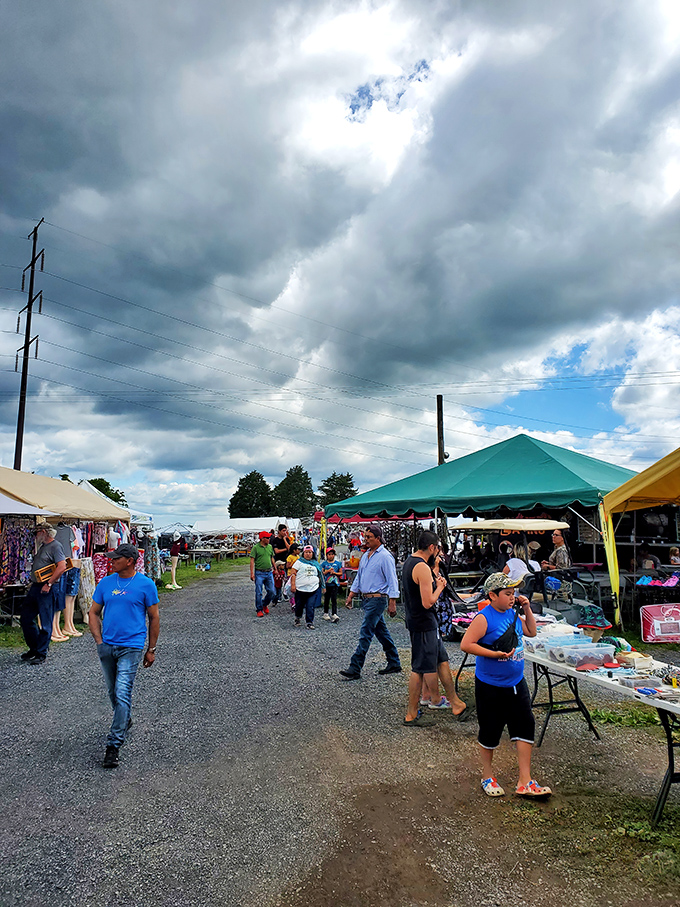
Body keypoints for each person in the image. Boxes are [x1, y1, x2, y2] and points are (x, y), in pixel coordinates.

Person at [461, 573, 551, 799]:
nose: (513, 598)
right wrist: (494, 653)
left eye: (514, 594)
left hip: (516, 683)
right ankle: (487, 775)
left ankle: (525, 780)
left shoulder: (512, 614)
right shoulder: (484, 618)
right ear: (492, 595)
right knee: (490, 729)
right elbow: (466, 644)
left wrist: (527, 608)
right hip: (490, 685)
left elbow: (531, 631)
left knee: (525, 725)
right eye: (508, 594)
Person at [89, 544, 160, 769]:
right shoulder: (106, 583)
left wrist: (151, 648)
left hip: (131, 646)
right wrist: (99, 641)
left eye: (116, 558)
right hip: (108, 645)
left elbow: (154, 617)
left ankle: (113, 745)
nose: (111, 561)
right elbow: (93, 612)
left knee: (122, 691)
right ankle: (124, 718)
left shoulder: (145, 585)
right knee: (113, 692)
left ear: (129, 560)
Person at [402, 531, 468, 725]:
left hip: (425, 622)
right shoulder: (421, 567)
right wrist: (439, 587)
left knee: (442, 660)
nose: (438, 552)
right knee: (419, 668)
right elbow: (427, 602)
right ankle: (411, 714)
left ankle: (455, 703)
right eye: (438, 548)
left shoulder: (410, 561)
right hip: (423, 622)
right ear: (431, 548)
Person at [339, 525, 401, 680]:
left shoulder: (385, 557)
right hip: (367, 599)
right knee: (381, 632)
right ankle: (394, 662)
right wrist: (351, 594)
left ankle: (355, 666)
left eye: (369, 537)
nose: (365, 540)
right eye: (365, 537)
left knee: (366, 632)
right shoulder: (366, 555)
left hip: (378, 599)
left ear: (378, 538)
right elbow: (359, 577)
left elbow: (393, 580)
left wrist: (392, 601)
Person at [20, 524, 68, 665]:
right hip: (37, 586)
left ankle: (41, 652)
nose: (35, 535)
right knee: (26, 618)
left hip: (46, 586)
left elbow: (62, 566)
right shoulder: (44, 546)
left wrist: (49, 583)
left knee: (46, 621)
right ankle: (35, 648)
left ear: (43, 532)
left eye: (37, 532)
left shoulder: (55, 546)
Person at [290, 545, 325, 629]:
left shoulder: (316, 564)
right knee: (299, 606)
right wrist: (293, 585)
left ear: (312, 554)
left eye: (310, 552)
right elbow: (293, 573)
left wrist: (323, 586)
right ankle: (298, 617)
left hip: (313, 588)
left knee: (310, 606)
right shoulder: (299, 562)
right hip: (300, 589)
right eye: (306, 552)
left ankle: (309, 622)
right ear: (303, 553)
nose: (308, 554)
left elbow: (321, 575)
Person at [250, 531, 277, 617]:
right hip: (259, 573)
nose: (269, 539)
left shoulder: (270, 547)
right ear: (262, 538)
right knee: (258, 592)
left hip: (269, 572)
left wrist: (275, 568)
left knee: (272, 591)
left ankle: (264, 604)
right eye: (267, 538)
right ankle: (259, 609)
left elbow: (271, 558)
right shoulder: (256, 548)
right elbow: (252, 560)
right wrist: (252, 573)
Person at [541, 529, 572, 600]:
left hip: (561, 583)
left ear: (562, 538)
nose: (553, 537)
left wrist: (547, 567)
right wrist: (549, 563)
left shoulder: (561, 551)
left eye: (556, 535)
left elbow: (562, 568)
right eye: (553, 534)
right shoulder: (557, 549)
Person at [321, 547, 343, 623]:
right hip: (327, 584)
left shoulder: (337, 563)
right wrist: (327, 571)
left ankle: (334, 613)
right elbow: (321, 573)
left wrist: (335, 573)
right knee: (326, 599)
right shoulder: (324, 563)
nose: (331, 556)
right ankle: (325, 613)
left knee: (334, 599)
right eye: (329, 554)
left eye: (332, 554)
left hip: (334, 584)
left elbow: (340, 573)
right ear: (326, 555)